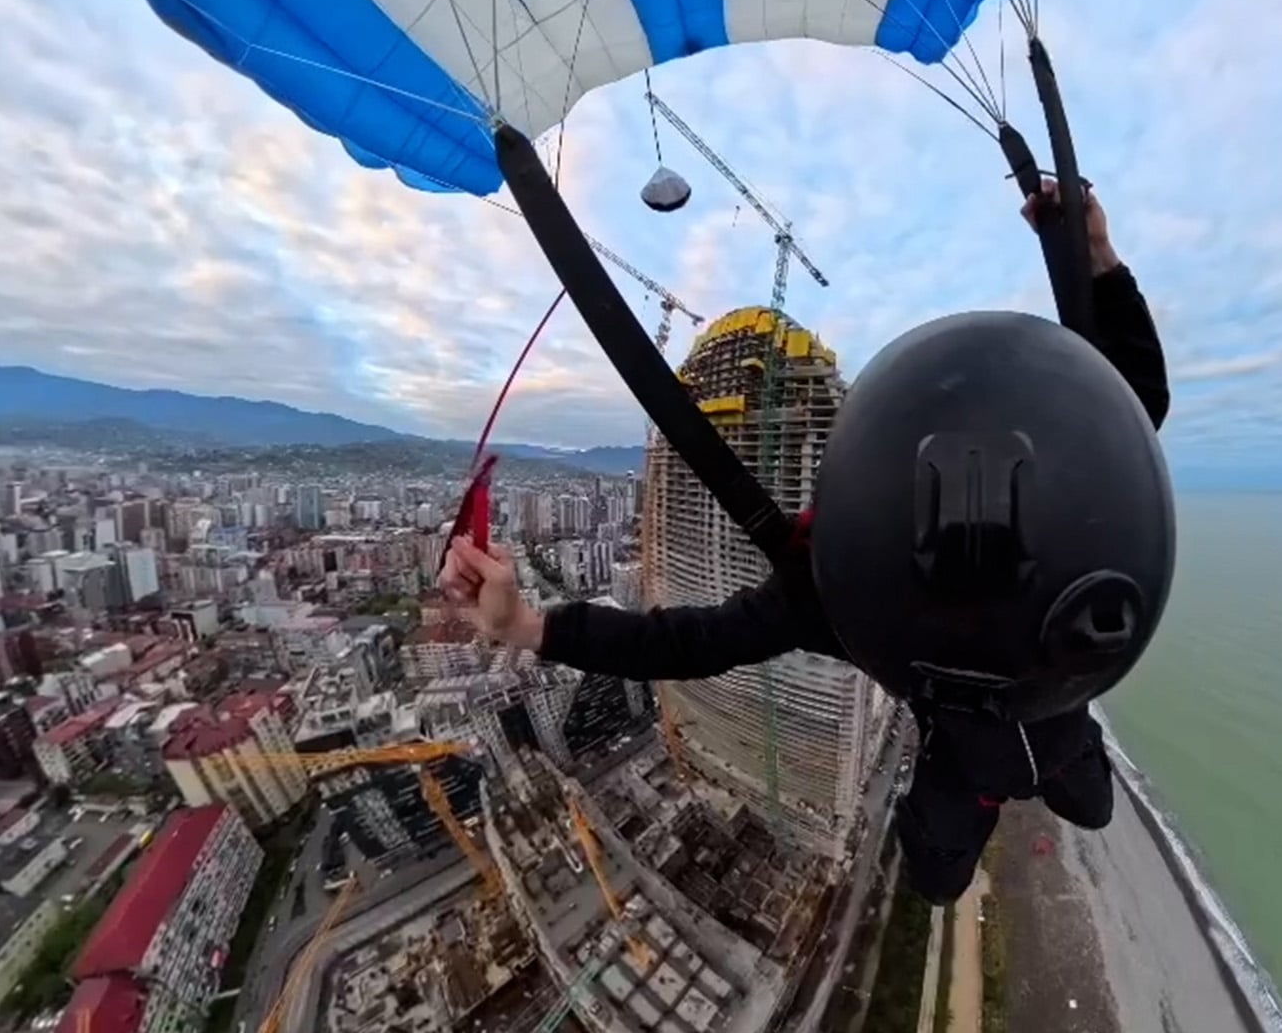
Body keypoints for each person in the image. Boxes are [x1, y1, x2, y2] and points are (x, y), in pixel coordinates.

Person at [440, 176, 1174, 903]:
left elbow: (687, 643)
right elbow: (1134, 402)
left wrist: (527, 627)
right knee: (946, 872)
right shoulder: (845, 579)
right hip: (1002, 747)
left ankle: (1028, 784)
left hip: (1031, 736)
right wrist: (1098, 262)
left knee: (1081, 811)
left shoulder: (841, 580)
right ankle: (1010, 792)